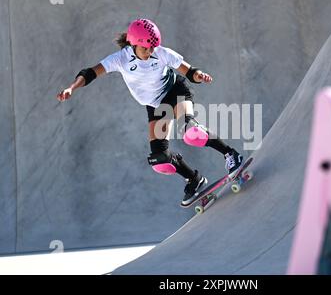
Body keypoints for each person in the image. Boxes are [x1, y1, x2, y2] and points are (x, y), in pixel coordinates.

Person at [57, 18, 243, 207]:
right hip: (156, 106)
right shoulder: (120, 59)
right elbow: (90, 73)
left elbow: (189, 71)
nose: (150, 52)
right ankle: (194, 180)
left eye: (153, 48)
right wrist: (72, 88)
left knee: (192, 132)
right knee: (160, 159)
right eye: (145, 49)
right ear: (133, 44)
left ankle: (231, 154)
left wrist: (199, 75)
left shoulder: (162, 54)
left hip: (175, 92)